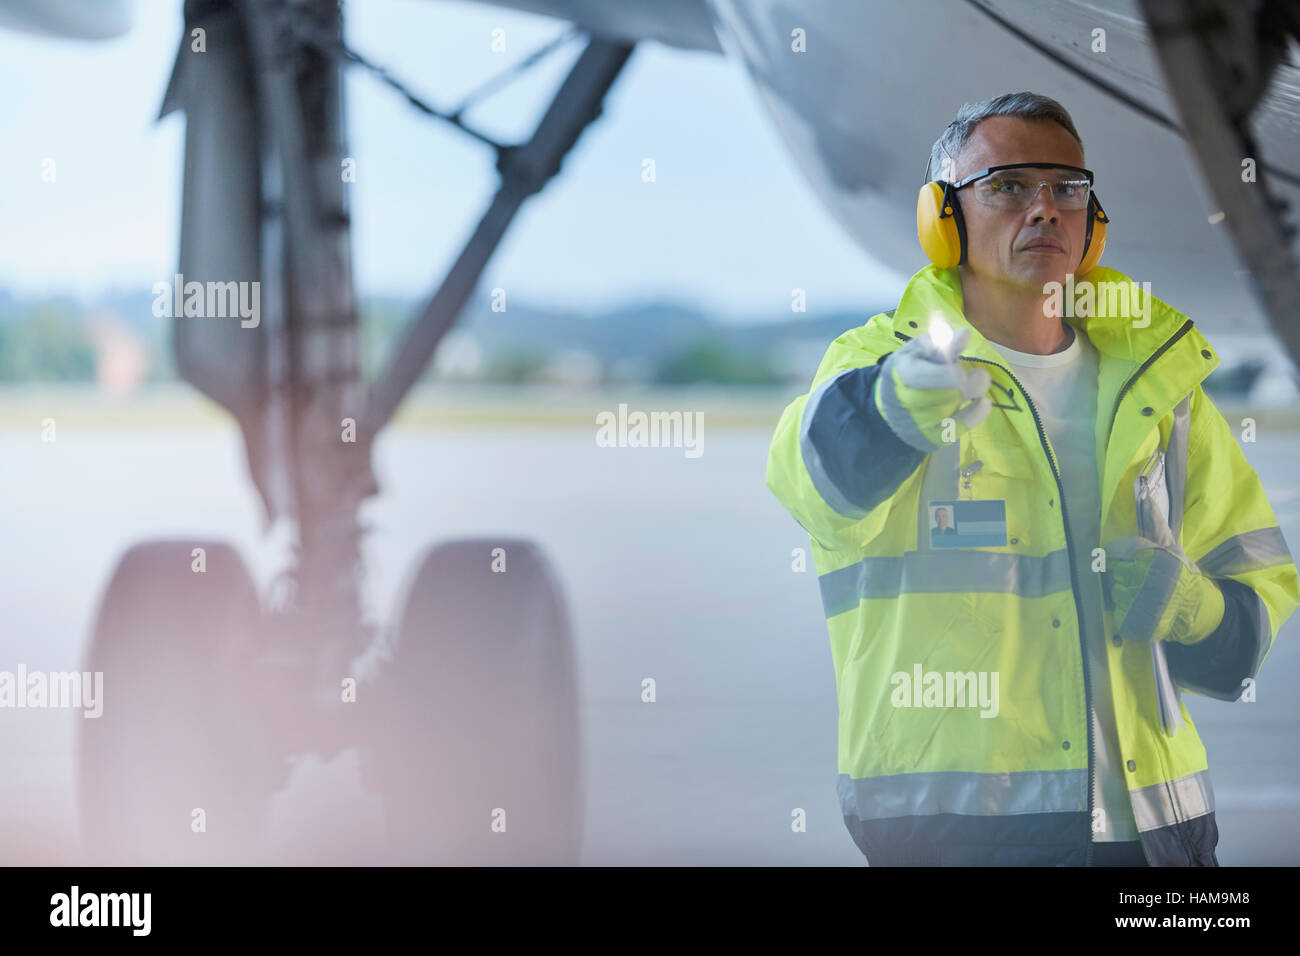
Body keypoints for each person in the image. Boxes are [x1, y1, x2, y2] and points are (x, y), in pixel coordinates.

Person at [765, 92, 1300, 866]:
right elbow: (815, 490)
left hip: (1155, 835)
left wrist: (1193, 608)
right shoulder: (876, 365)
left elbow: (1250, 615)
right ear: (940, 220)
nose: (1044, 209)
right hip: (956, 833)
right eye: (1009, 186)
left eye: (1067, 188)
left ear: (1093, 223)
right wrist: (890, 410)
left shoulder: (1161, 384)